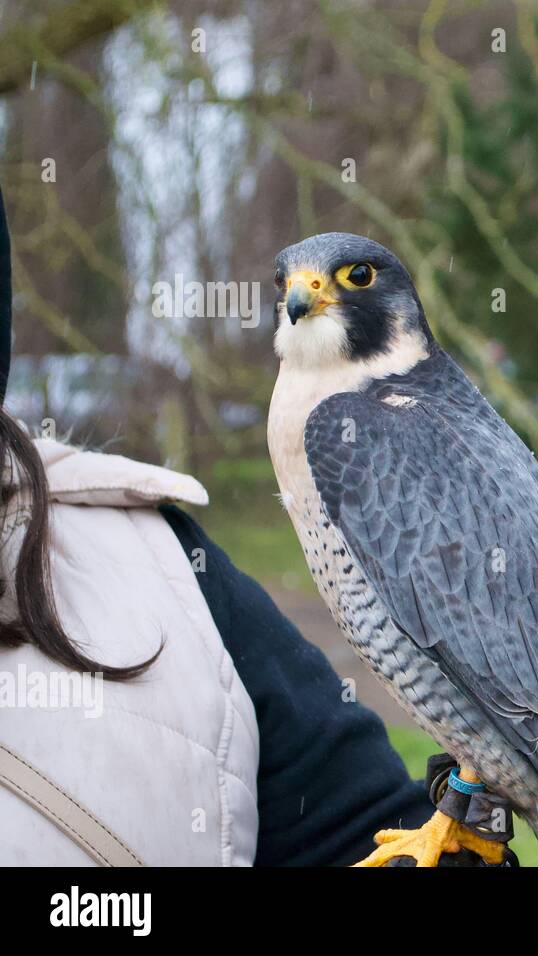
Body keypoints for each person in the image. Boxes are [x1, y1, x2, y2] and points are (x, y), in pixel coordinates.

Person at [0, 181, 432, 866]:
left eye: (344, 279)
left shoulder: (166, 564)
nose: (307, 294)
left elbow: (367, 828)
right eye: (294, 283)